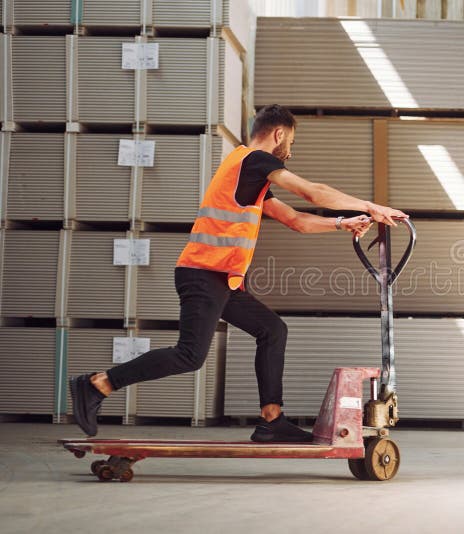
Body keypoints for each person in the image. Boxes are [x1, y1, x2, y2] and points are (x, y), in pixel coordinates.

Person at [69, 104, 407, 443]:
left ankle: (271, 420)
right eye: (290, 142)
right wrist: (370, 206)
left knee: (272, 330)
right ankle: (99, 384)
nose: (290, 151)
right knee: (190, 355)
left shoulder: (247, 173)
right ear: (279, 134)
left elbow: (296, 220)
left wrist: (341, 223)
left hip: (220, 279)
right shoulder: (255, 161)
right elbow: (311, 192)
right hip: (203, 274)